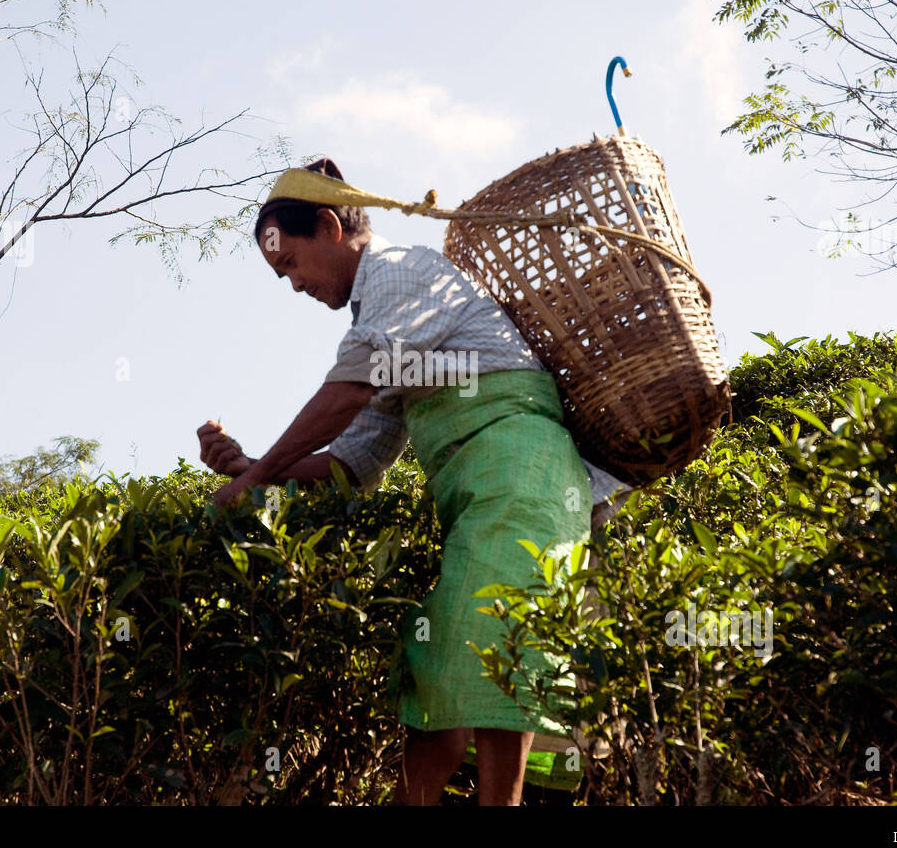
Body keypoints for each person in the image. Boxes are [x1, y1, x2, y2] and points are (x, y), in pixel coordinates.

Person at [200, 157, 631, 805]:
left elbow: (345, 393)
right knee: (444, 674)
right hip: (490, 494)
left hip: (523, 475)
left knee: (492, 654)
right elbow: (350, 465)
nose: (291, 286)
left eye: (288, 264)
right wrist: (249, 469)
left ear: (328, 226)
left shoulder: (402, 272)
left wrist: (259, 473)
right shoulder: (383, 326)